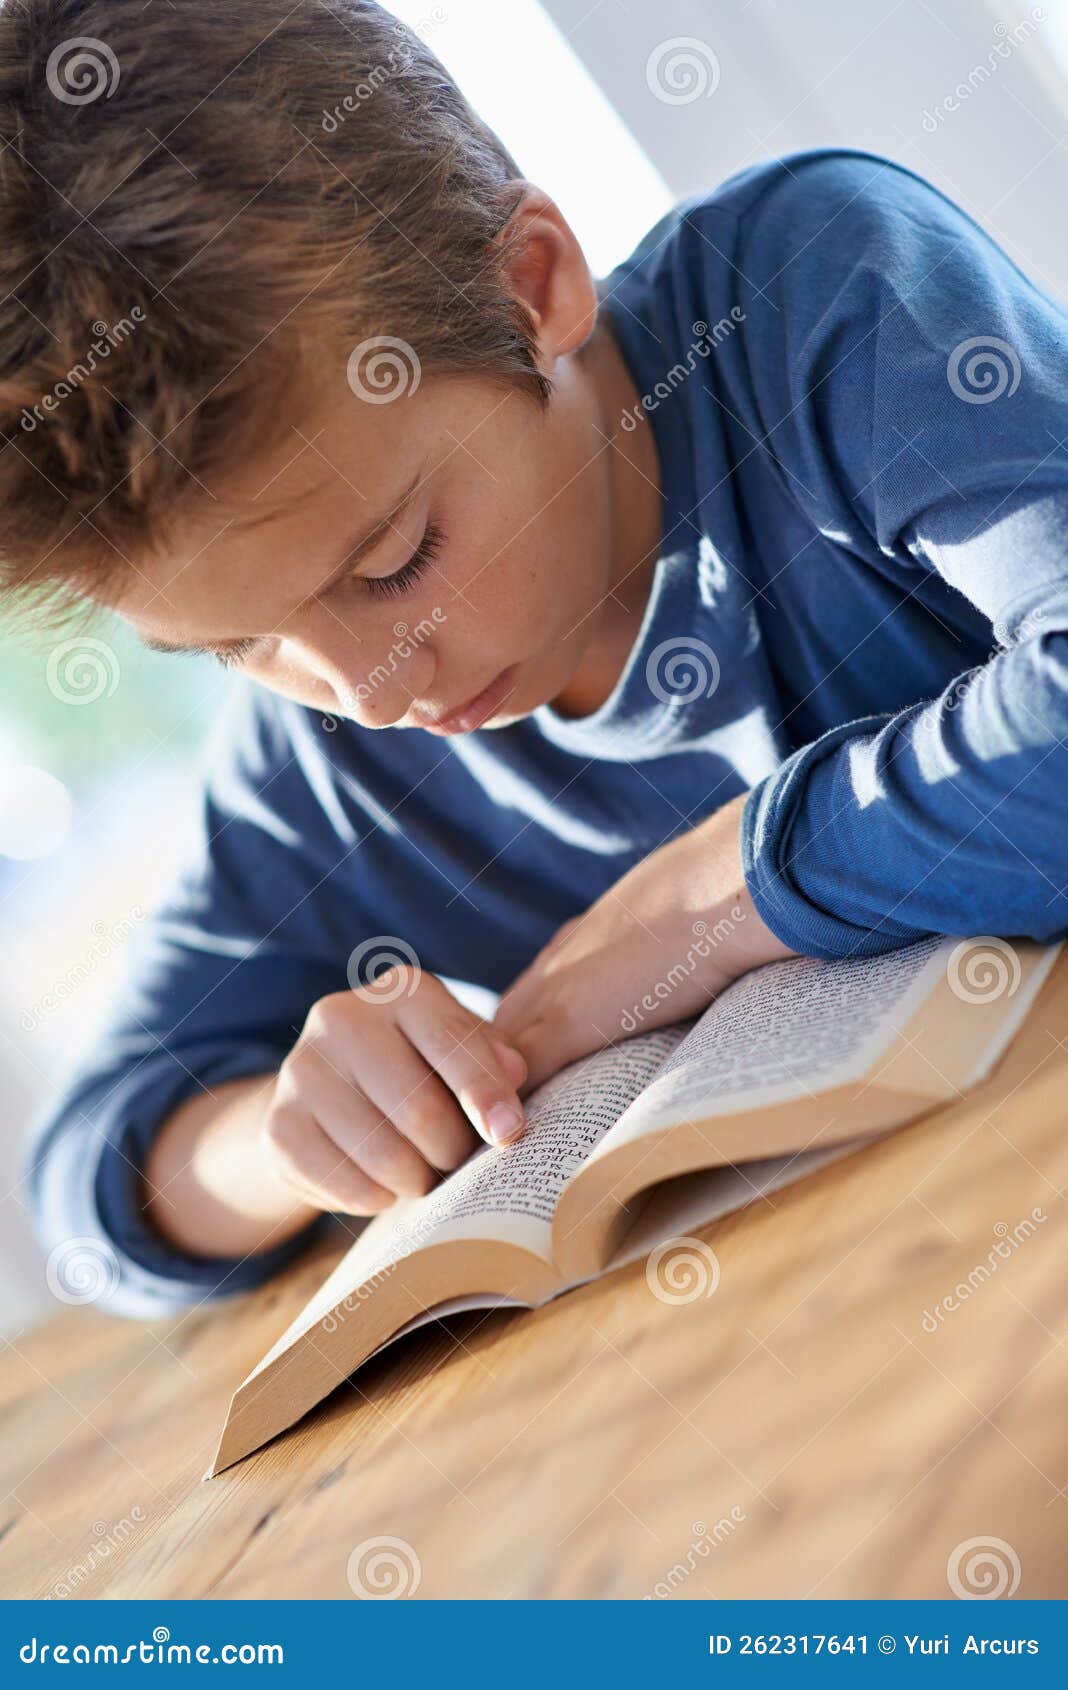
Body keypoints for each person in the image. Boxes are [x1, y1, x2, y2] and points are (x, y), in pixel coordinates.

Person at [5, 1, 1066, 1317]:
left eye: (391, 561)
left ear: (532, 285)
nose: (372, 692)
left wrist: (722, 892)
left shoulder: (809, 292)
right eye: (238, 645)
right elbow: (87, 1180)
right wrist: (289, 1133)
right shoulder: (325, 757)